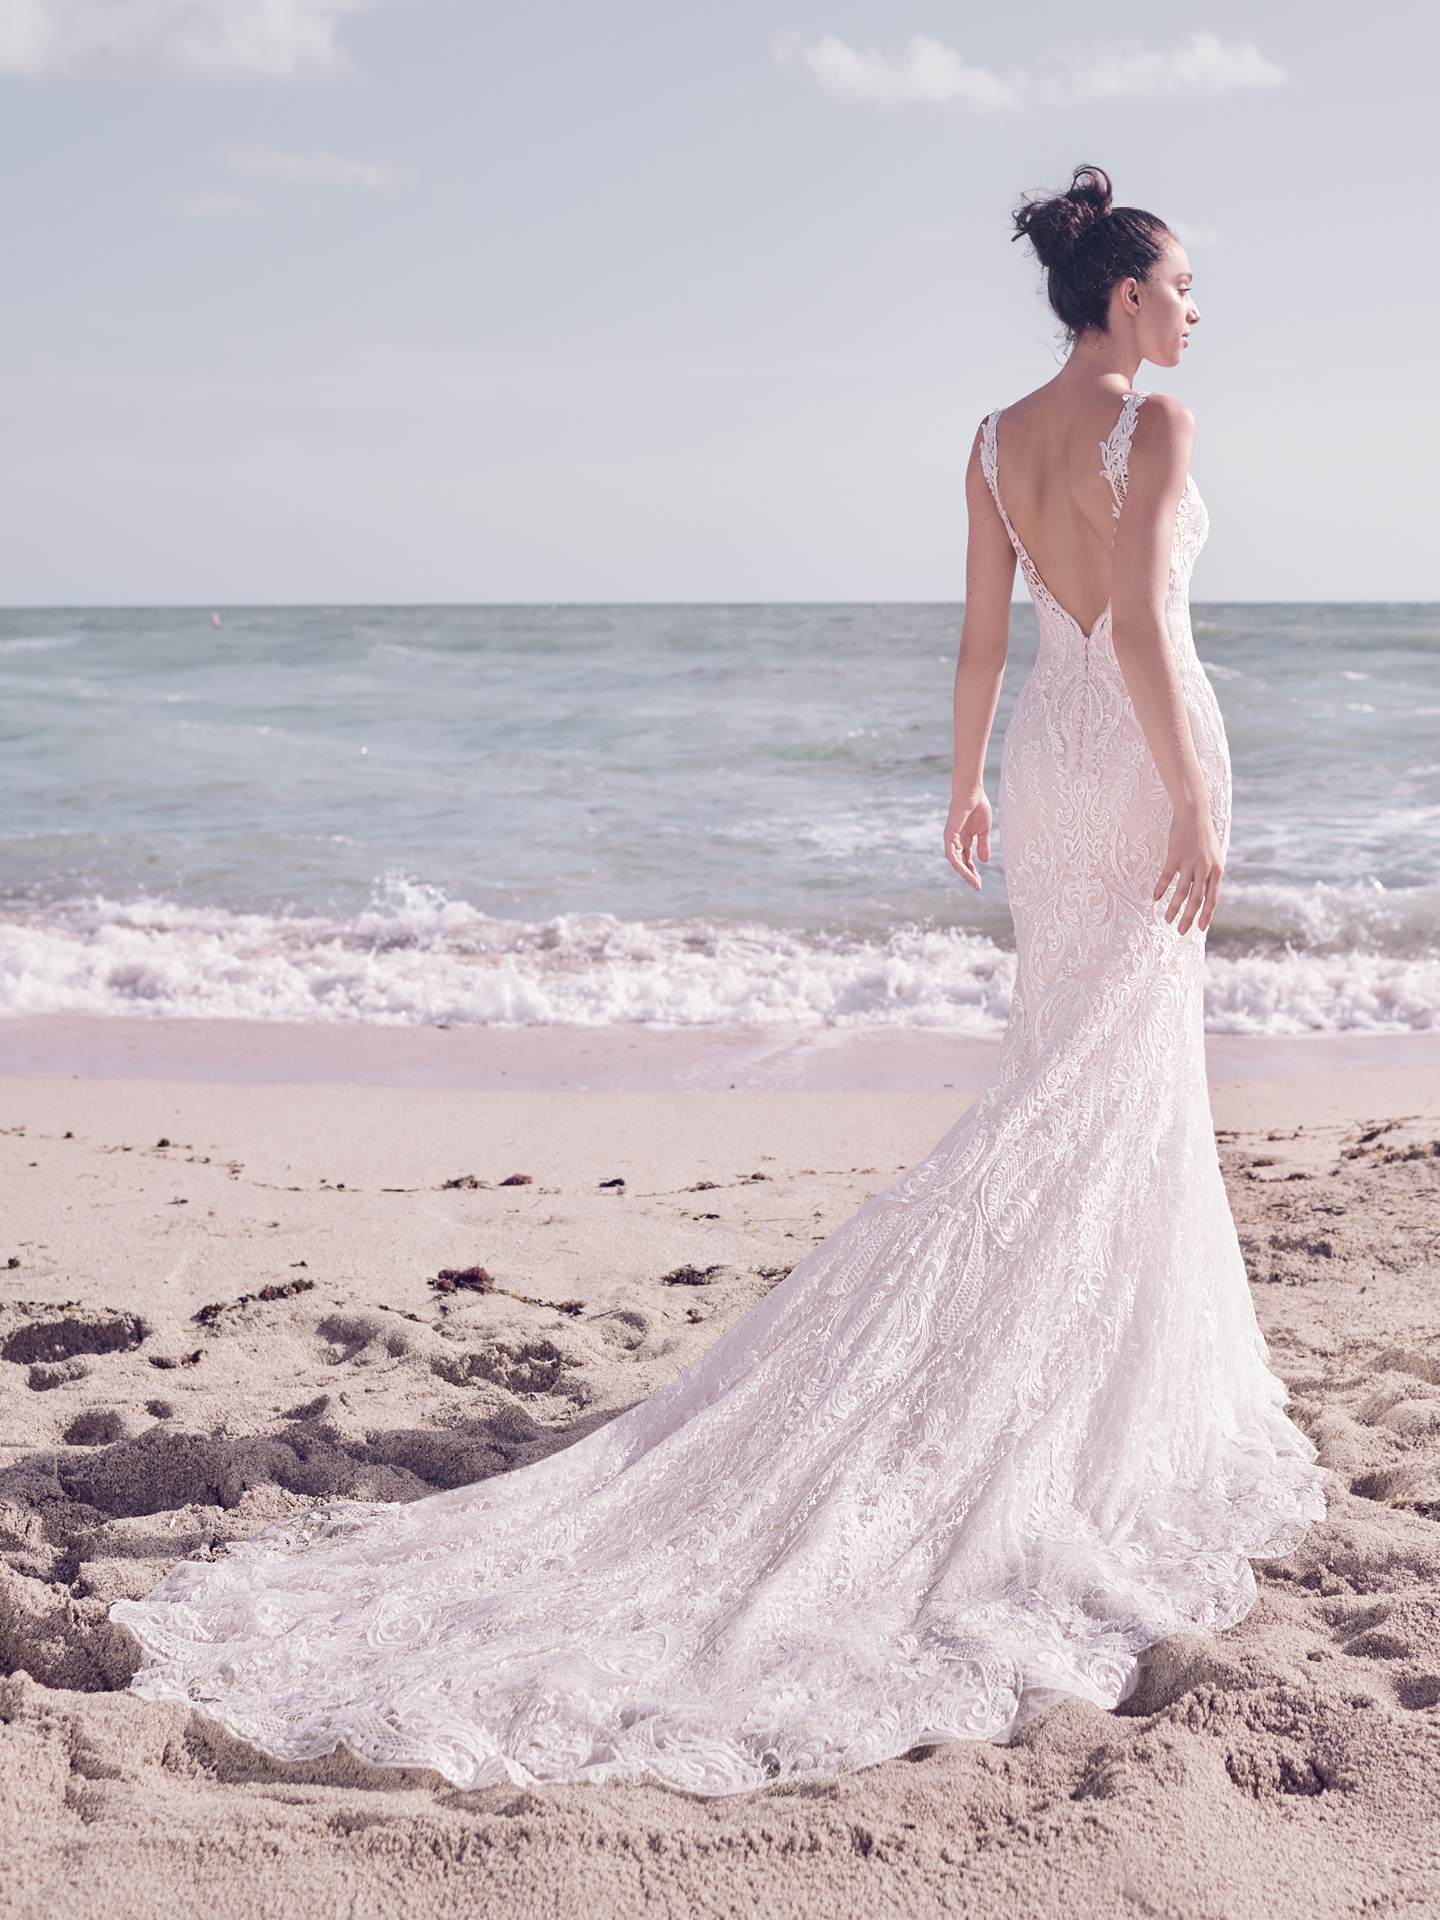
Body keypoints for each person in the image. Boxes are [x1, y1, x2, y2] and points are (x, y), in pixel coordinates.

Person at [113, 166, 1325, 1797]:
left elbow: (985, 640)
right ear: (1123, 299)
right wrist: (1194, 803)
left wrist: (966, 783)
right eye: (1184, 287)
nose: (1197, 311)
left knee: (1066, 1074)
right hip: (1133, 758)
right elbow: (1161, 642)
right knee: (1108, 1084)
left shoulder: (988, 442)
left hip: (1046, 765)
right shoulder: (1157, 429)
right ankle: (1088, 1399)